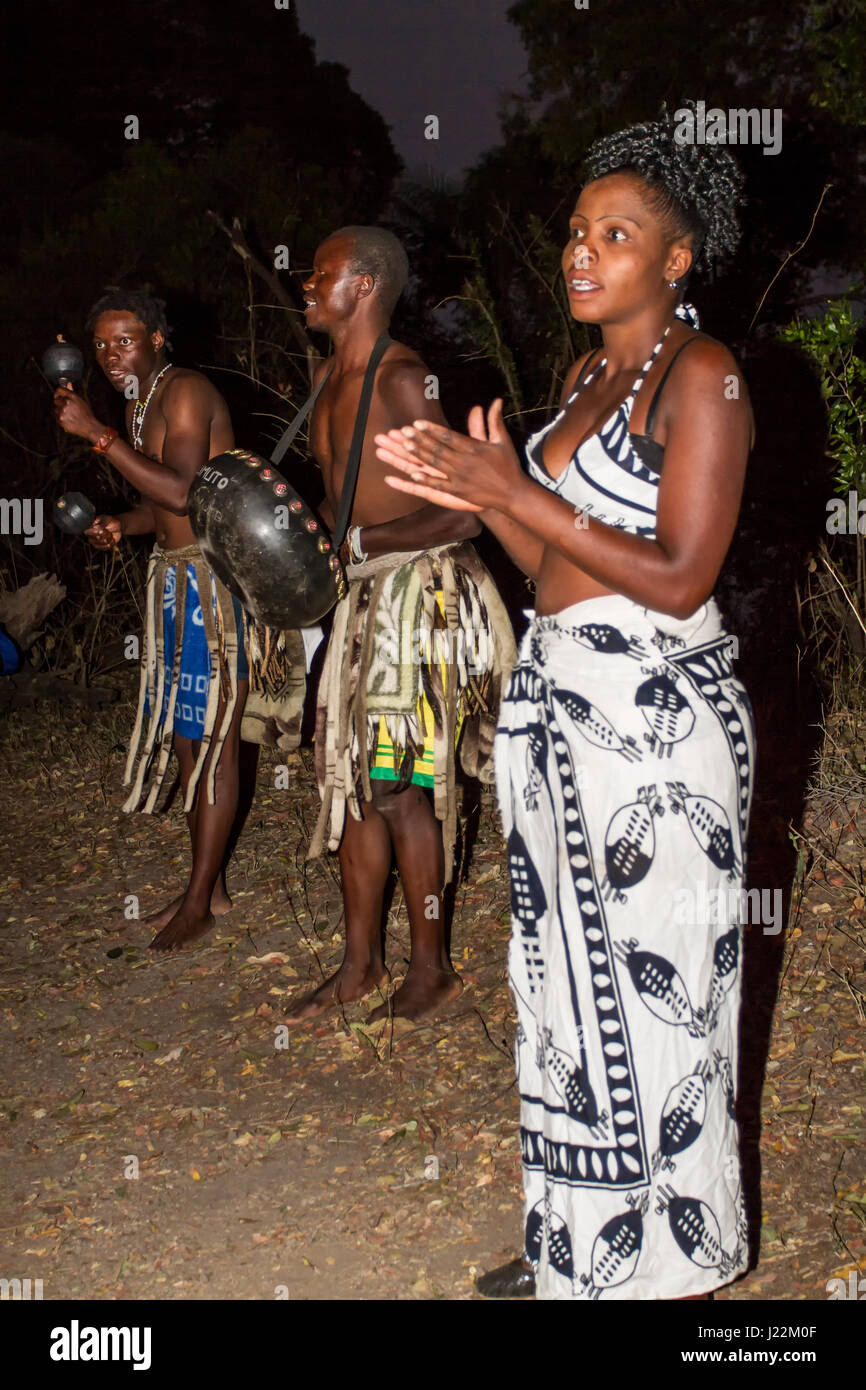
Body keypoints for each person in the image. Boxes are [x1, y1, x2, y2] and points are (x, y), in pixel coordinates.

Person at [376, 116, 755, 1299]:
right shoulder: (588, 377)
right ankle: (582, 1246)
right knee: (562, 992)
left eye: (615, 233)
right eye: (576, 232)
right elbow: (548, 566)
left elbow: (683, 572)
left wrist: (511, 488)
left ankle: (671, 1270)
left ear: (677, 256)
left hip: (651, 733)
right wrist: (474, 489)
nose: (581, 254)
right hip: (561, 706)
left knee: (659, 1007)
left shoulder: (704, 378)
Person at [287, 226, 515, 1024]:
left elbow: (465, 511)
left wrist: (361, 543)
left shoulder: (405, 379)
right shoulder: (325, 380)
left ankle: (432, 969)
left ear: (367, 285)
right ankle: (359, 967)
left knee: (399, 788)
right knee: (352, 786)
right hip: (360, 597)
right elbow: (338, 500)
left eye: (322, 274)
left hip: (419, 594)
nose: (307, 285)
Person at [54, 290, 305, 950]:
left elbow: (190, 493)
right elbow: (159, 505)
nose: (112, 356)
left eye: (125, 340)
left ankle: (200, 898)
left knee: (216, 735)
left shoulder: (185, 392)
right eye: (103, 346)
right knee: (190, 737)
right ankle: (208, 887)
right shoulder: (140, 404)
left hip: (216, 577)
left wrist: (96, 436)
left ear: (159, 339)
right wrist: (122, 524)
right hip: (175, 576)